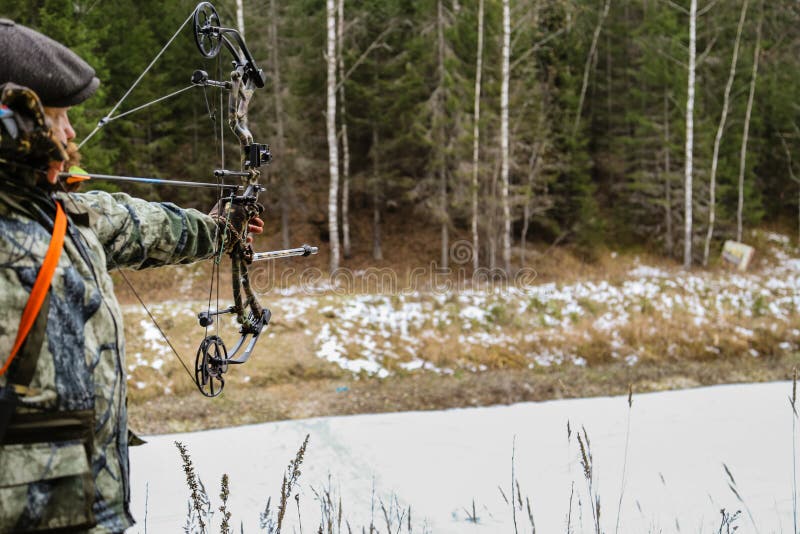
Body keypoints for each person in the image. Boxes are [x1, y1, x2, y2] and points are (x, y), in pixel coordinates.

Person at [0, 19, 263, 532]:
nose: (70, 134)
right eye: (58, 118)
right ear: (16, 126)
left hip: (85, 509)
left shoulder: (63, 215)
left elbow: (142, 226)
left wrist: (219, 230)